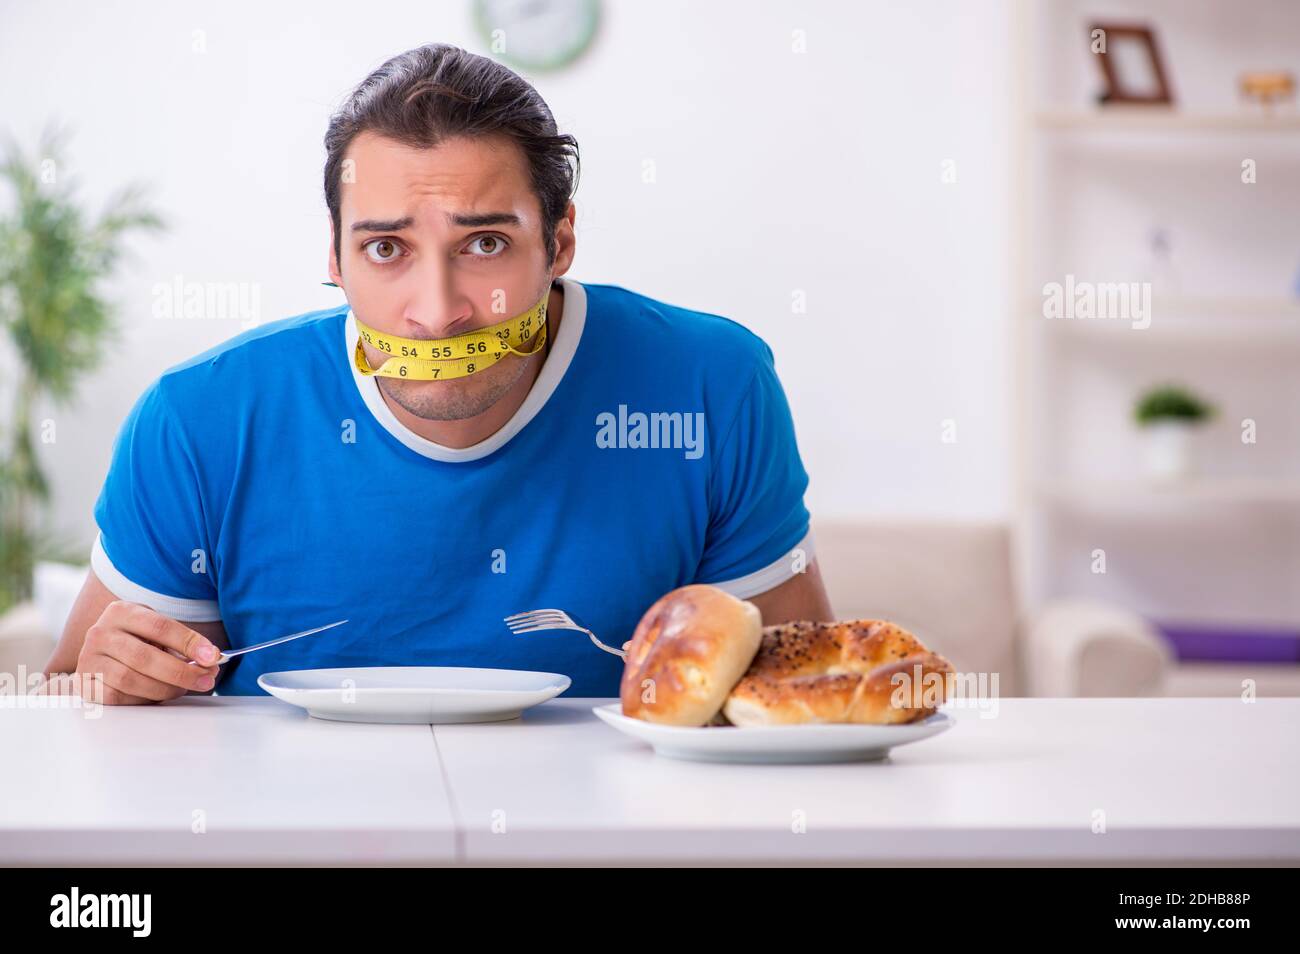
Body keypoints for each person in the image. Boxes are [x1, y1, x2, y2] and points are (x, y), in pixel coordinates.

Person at [40, 43, 832, 705]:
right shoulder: (198, 422)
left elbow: (799, 698)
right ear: (334, 256)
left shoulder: (713, 389)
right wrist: (111, 683)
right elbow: (68, 723)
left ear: (559, 244)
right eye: (386, 249)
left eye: (484, 243)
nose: (438, 311)